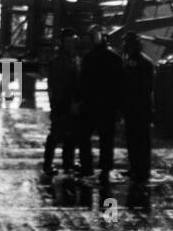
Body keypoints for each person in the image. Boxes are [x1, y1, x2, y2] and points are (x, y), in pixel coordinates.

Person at [79, 25, 123, 184]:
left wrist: (79, 100)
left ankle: (86, 167)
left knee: (84, 136)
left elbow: (83, 82)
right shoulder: (115, 57)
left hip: (91, 103)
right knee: (107, 138)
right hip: (108, 105)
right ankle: (106, 167)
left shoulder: (89, 57)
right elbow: (120, 84)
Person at [44, 29, 81, 176]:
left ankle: (68, 163)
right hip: (62, 103)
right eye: (68, 41)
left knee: (71, 135)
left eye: (73, 41)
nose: (71, 44)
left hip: (71, 102)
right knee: (56, 134)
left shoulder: (75, 59)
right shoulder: (58, 62)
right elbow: (55, 85)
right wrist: (59, 103)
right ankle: (48, 164)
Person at [119, 32, 154, 182]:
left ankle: (142, 169)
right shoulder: (132, 61)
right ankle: (135, 168)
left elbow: (146, 87)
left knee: (140, 140)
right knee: (133, 139)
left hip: (139, 106)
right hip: (133, 106)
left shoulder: (143, 63)